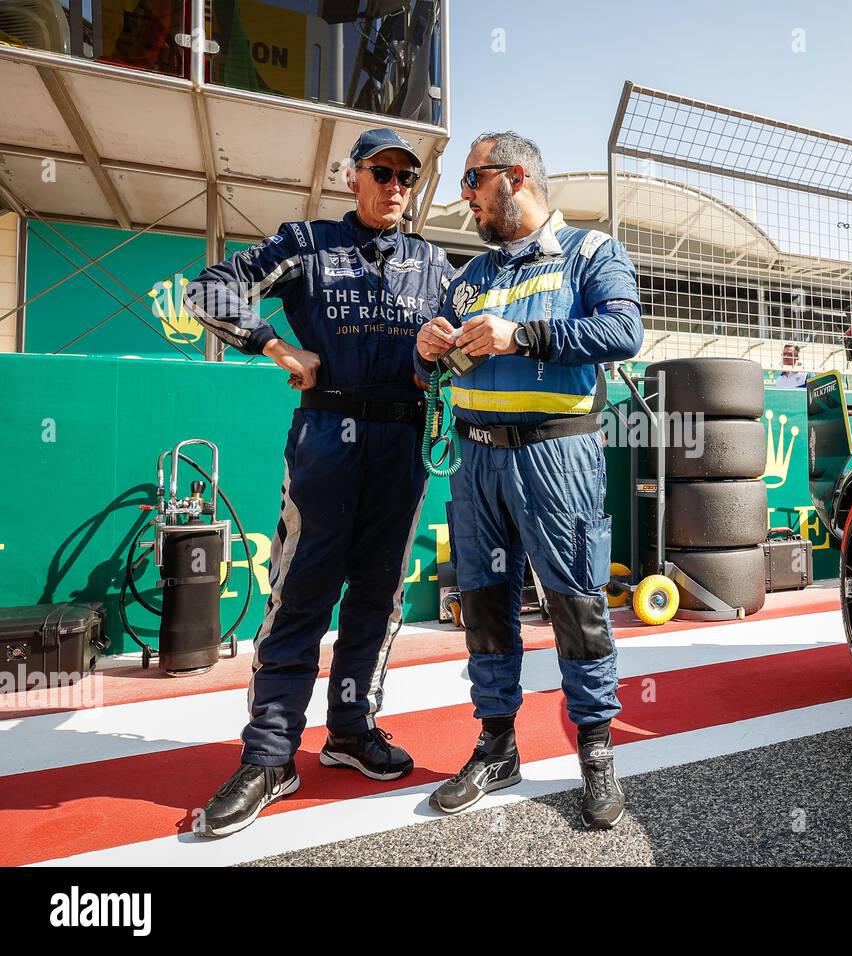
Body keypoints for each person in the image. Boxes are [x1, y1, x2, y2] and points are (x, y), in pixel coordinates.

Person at [184, 128, 453, 837]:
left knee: (378, 597)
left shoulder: (434, 262)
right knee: (301, 594)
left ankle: (352, 729)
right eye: (382, 172)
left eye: (406, 176)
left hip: (403, 442)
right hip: (327, 439)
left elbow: (460, 349)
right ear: (352, 177)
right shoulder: (305, 242)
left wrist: (443, 363)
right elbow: (207, 289)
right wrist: (273, 344)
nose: (396, 185)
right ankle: (270, 755)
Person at [414, 131, 643, 829]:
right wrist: (427, 353)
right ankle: (495, 745)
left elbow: (624, 332)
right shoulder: (470, 276)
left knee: (577, 604)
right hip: (477, 459)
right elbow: (442, 367)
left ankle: (597, 748)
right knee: (483, 607)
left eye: (473, 180)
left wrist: (523, 336)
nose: (465, 196)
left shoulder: (591, 251)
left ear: (515, 177)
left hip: (557, 456)